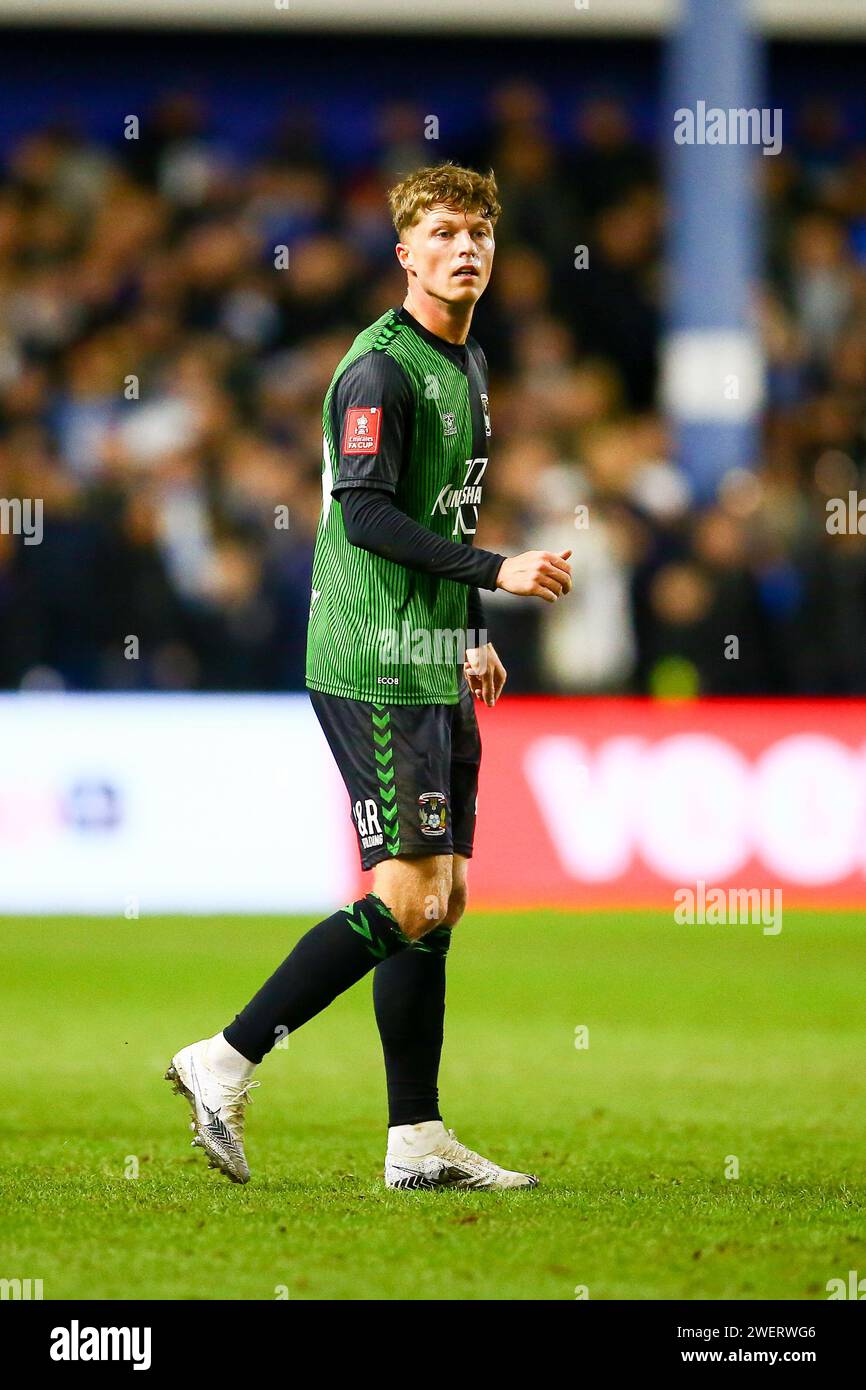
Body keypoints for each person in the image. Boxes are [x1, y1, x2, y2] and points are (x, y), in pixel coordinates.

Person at [165, 162, 572, 1190]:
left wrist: (470, 621)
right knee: (405, 895)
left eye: (478, 230)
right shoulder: (377, 370)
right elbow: (366, 513)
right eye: (441, 232)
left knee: (445, 896)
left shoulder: (467, 361)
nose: (464, 247)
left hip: (432, 653)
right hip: (374, 659)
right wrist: (500, 572)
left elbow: (443, 511)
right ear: (405, 252)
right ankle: (223, 1056)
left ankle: (415, 1137)